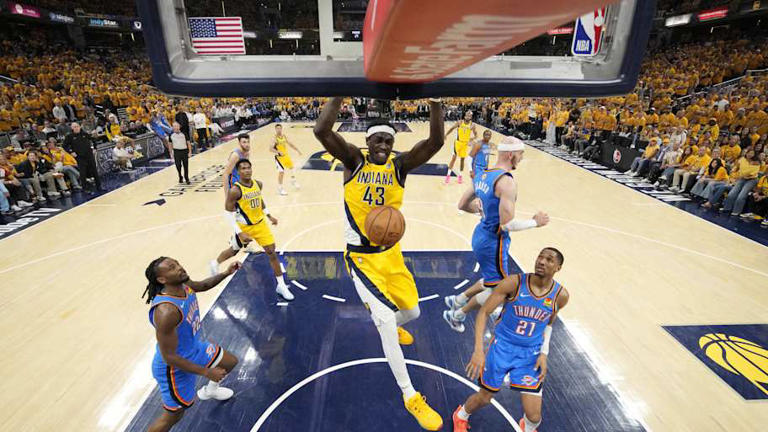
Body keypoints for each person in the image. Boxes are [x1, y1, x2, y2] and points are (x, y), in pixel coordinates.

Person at [313, 97, 445, 430]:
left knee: (413, 312)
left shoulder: (399, 167)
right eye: (378, 140)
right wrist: (339, 93)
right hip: (361, 258)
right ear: (368, 141)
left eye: (388, 140)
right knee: (385, 321)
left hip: (391, 254)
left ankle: (391, 325)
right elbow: (321, 130)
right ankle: (410, 396)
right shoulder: (353, 161)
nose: (383, 145)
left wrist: (435, 102)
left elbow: (435, 142)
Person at [452, 248, 569, 432]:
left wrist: (544, 353)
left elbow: (548, 324)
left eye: (549, 260)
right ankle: (461, 415)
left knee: (534, 416)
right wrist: (478, 351)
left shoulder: (560, 296)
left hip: (530, 355)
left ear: (558, 267)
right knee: (484, 398)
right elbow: (484, 312)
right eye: (540, 256)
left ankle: (527, 427)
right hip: (502, 348)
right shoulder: (514, 283)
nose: (542, 261)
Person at [443, 136, 549, 333]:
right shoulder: (506, 182)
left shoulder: (483, 174)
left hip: (480, 234)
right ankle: (457, 314)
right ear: (510, 154)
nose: (521, 158)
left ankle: (458, 299)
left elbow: (462, 204)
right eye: (520, 154)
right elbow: (507, 224)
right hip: (494, 242)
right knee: (500, 290)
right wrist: (535, 222)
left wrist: (484, 212)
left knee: (492, 278)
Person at [143, 257, 241, 432]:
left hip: (193, 349)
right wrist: (207, 372)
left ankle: (210, 391)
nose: (179, 268)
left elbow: (203, 285)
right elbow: (169, 357)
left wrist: (226, 273)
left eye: (177, 263)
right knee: (173, 416)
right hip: (174, 368)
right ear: (162, 279)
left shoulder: (183, 285)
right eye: (172, 268)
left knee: (229, 362)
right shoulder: (166, 312)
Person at [210, 159, 294, 301]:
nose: (247, 170)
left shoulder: (258, 184)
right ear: (238, 171)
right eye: (243, 168)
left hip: (260, 224)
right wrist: (240, 232)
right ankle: (215, 263)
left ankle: (281, 285)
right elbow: (228, 214)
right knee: (233, 251)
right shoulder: (235, 191)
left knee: (272, 252)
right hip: (244, 227)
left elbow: (259, 200)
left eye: (248, 167)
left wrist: (269, 215)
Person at [63, 122, 103, 193]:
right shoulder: (70, 136)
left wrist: (95, 148)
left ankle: (99, 186)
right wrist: (71, 152)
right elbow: (64, 146)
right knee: (83, 173)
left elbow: (93, 139)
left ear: (80, 127)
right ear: (72, 128)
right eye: (74, 127)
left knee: (94, 171)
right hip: (80, 157)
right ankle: (85, 188)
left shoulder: (84, 133)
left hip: (89, 155)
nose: (76, 128)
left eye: (77, 126)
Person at [444, 110, 477, 185]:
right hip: (457, 143)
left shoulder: (472, 125)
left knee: (462, 160)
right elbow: (452, 128)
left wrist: (471, 139)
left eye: (469, 115)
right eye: (467, 115)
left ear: (471, 117)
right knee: (453, 158)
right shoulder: (460, 122)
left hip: (465, 144)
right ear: (464, 116)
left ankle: (460, 176)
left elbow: (476, 135)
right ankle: (448, 176)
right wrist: (446, 134)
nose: (468, 116)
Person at [271, 124, 302, 195]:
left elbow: (290, 144)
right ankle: (280, 189)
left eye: (280, 128)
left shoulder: (284, 136)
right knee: (281, 172)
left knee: (292, 168)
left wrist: (297, 150)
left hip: (286, 156)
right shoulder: (274, 138)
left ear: (281, 129)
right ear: (275, 129)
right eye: (277, 128)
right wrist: (278, 152)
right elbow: (270, 149)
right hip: (279, 158)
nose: (279, 130)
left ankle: (293, 180)